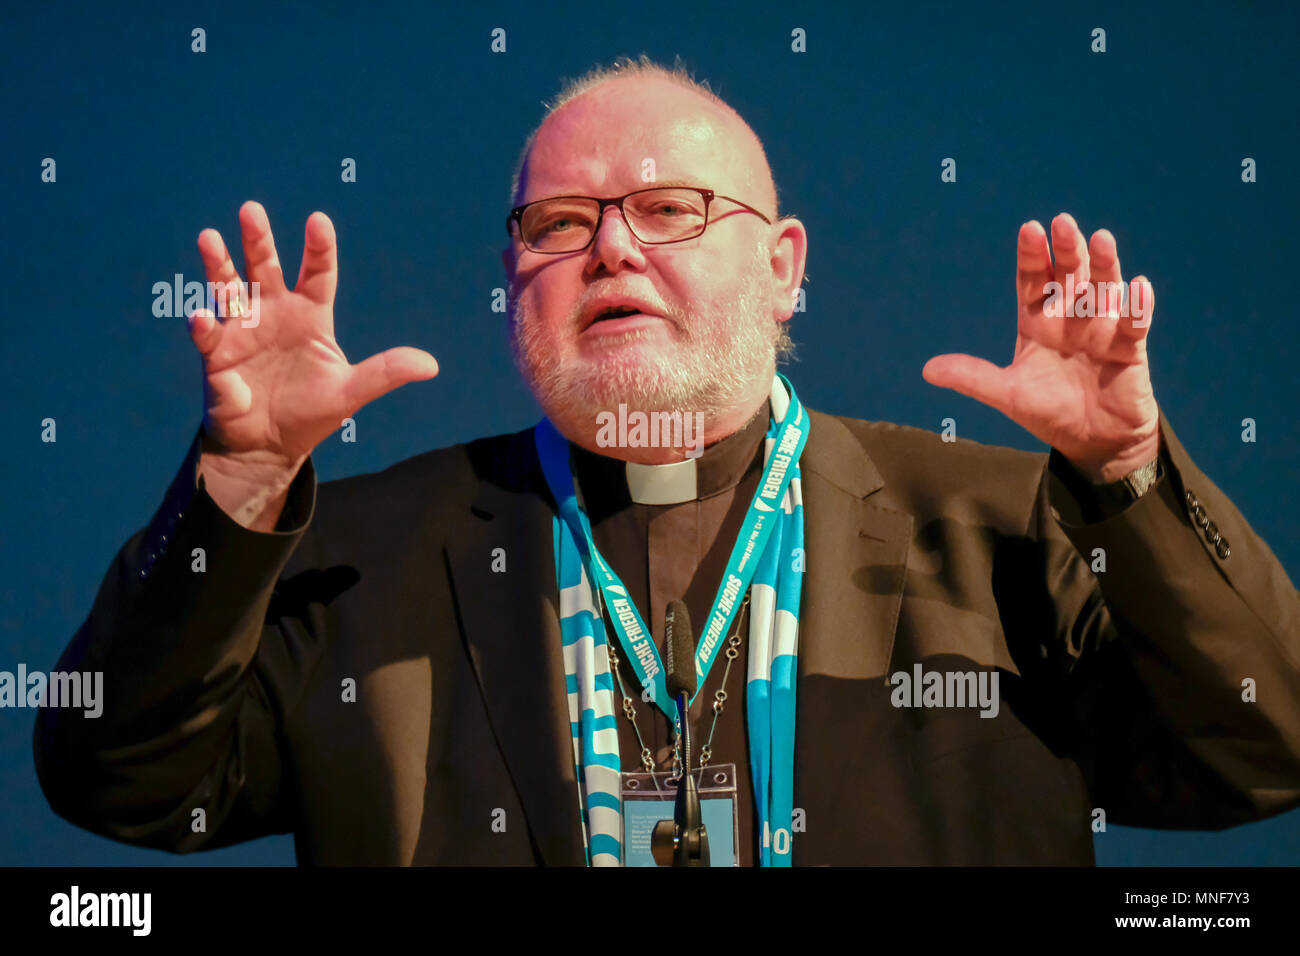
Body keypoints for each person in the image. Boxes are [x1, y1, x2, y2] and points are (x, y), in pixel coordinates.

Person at [35, 57, 1300, 866]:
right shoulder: (361, 551)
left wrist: (1128, 472)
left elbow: (1264, 751)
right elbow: (125, 782)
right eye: (560, 222)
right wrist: (240, 491)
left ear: (785, 262)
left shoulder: (1005, 526)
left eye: (669, 209)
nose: (612, 249)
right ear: (512, 280)